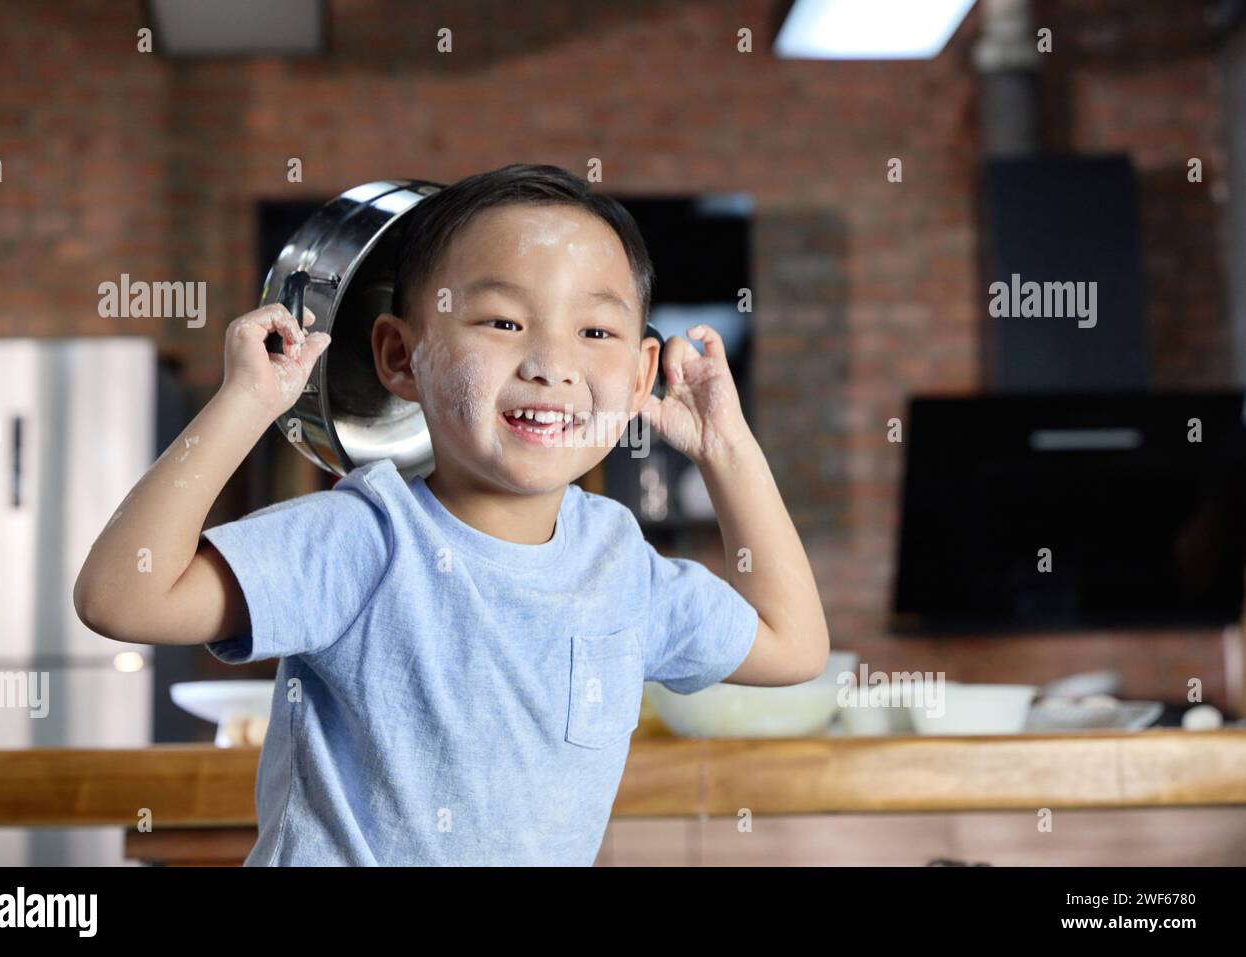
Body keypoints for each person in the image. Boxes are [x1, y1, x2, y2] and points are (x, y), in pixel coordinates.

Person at [73, 163, 829, 865]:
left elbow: (794, 646)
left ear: (639, 377)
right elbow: (121, 596)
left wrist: (725, 447)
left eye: (595, 331)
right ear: (401, 356)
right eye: (502, 322)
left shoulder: (620, 564)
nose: (550, 363)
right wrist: (245, 402)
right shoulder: (364, 537)